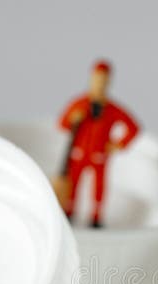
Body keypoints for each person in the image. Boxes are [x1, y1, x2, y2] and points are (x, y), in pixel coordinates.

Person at [56, 60, 140, 228]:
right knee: (73, 184)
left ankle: (96, 216)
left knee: (98, 188)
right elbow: (62, 123)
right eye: (96, 80)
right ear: (91, 80)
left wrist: (118, 144)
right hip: (78, 154)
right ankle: (69, 211)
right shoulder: (79, 104)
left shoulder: (113, 109)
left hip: (99, 156)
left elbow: (133, 127)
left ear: (109, 82)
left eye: (103, 81)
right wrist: (72, 119)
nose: (99, 84)